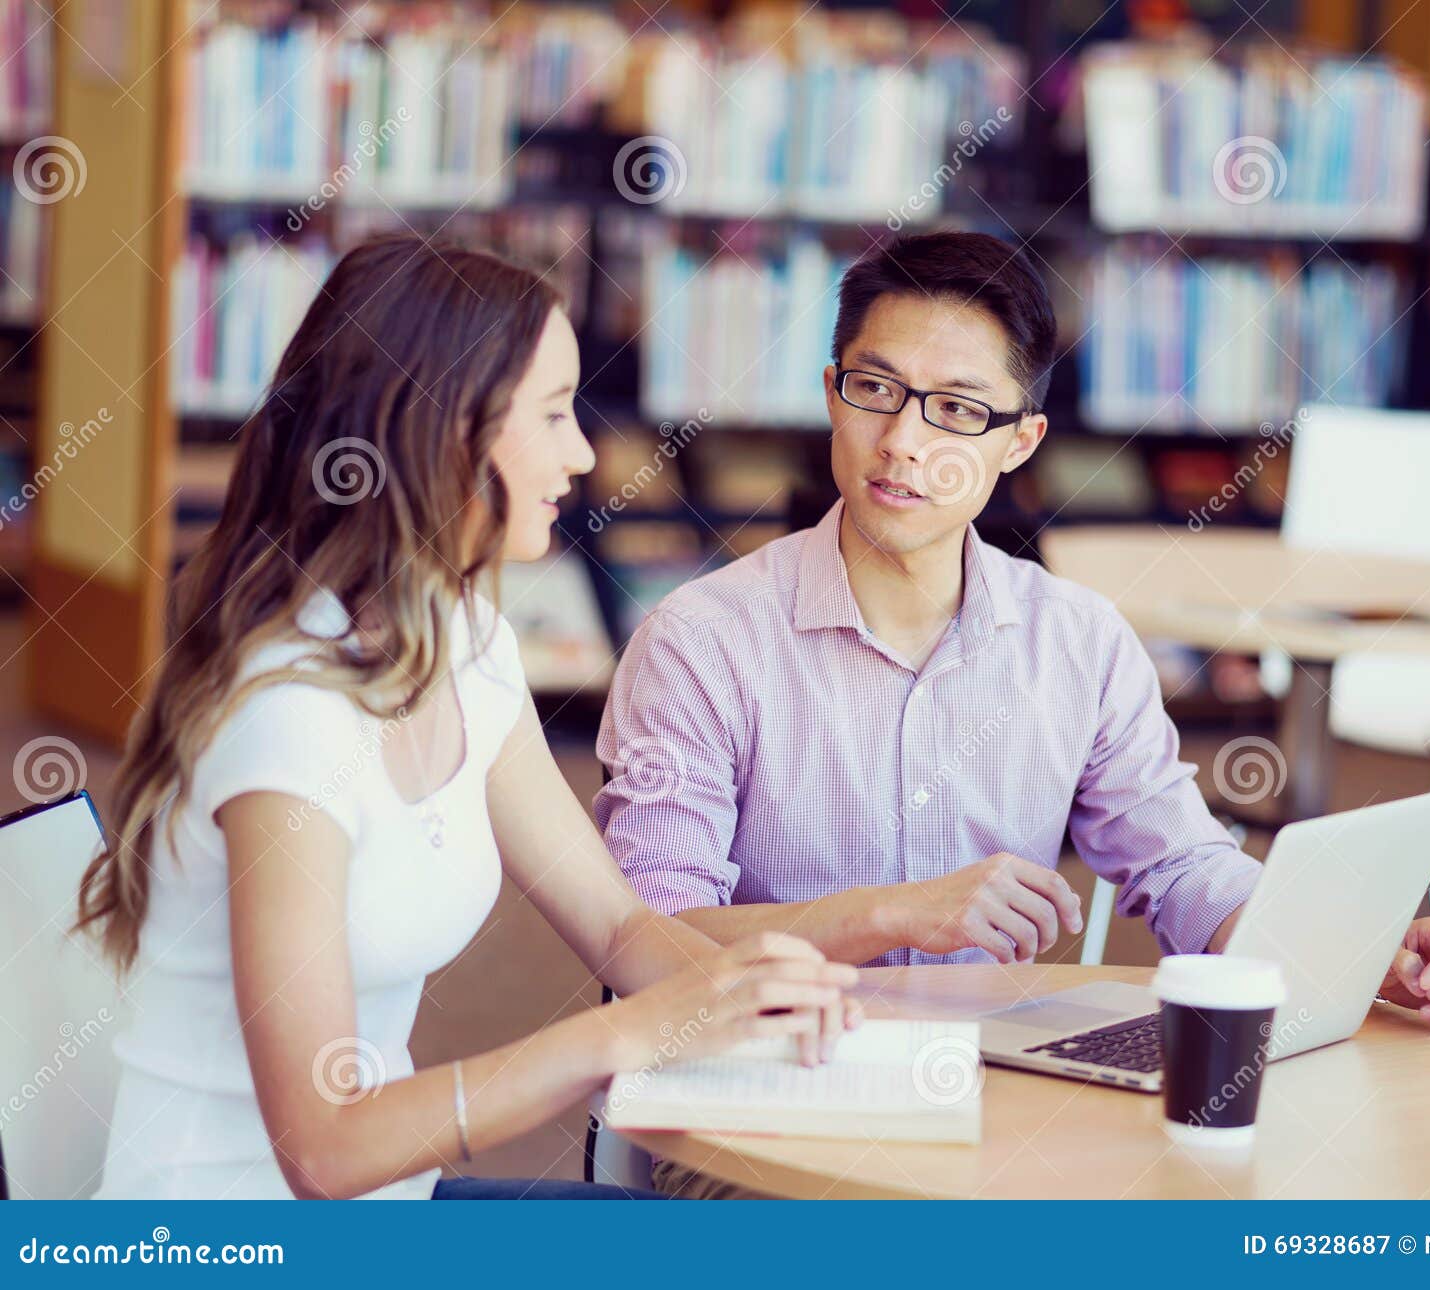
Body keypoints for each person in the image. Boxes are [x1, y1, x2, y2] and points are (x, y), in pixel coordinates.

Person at [596, 233, 1430, 1194]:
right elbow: (654, 940)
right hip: (760, 1110)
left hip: (989, 1097)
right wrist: (890, 916)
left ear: (1020, 440)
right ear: (830, 393)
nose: (904, 441)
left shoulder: (1077, 641)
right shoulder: (704, 642)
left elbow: (1179, 864)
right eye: (876, 389)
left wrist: (1355, 954)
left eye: (959, 410)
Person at [76, 235, 859, 1201]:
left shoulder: (465, 639)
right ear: (444, 430)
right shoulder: (287, 720)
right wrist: (622, 1036)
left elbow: (615, 925)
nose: (582, 454)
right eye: (553, 414)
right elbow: (323, 1152)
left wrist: (759, 1004)